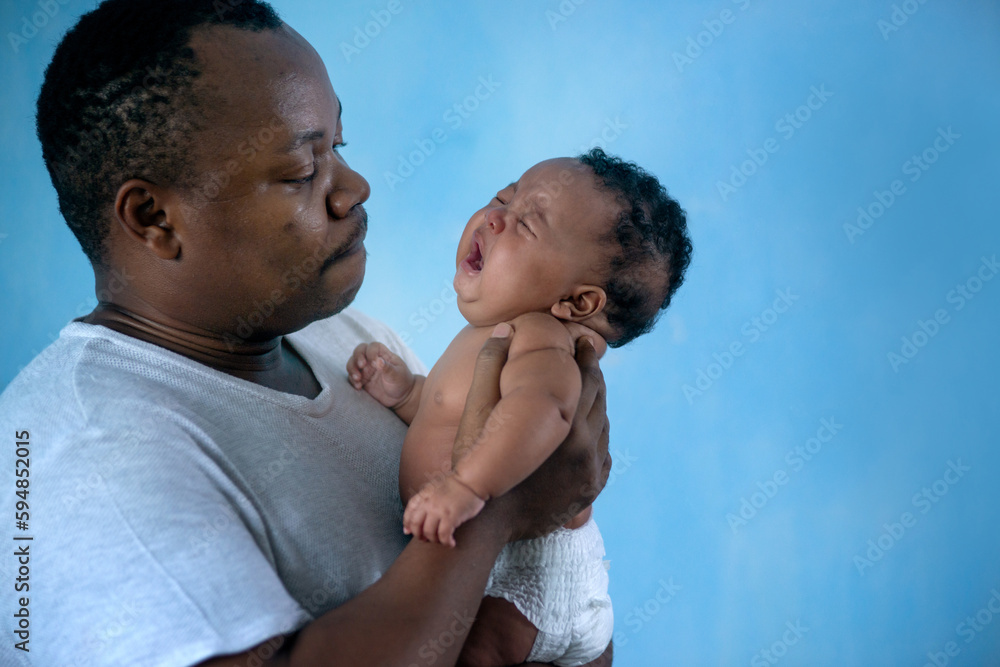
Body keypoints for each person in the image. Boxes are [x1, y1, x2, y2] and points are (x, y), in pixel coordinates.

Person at [0, 1, 614, 665]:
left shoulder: (346, 341)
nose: (354, 188)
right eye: (301, 171)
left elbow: (566, 627)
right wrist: (496, 506)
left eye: (340, 146)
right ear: (154, 217)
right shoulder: (85, 460)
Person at [346, 152, 692, 665]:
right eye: (503, 196)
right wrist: (406, 395)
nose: (493, 216)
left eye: (525, 224)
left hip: (531, 578)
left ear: (577, 304)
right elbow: (456, 414)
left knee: (464, 654)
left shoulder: (542, 337)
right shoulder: (498, 335)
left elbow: (542, 412)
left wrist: (467, 487)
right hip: (501, 567)